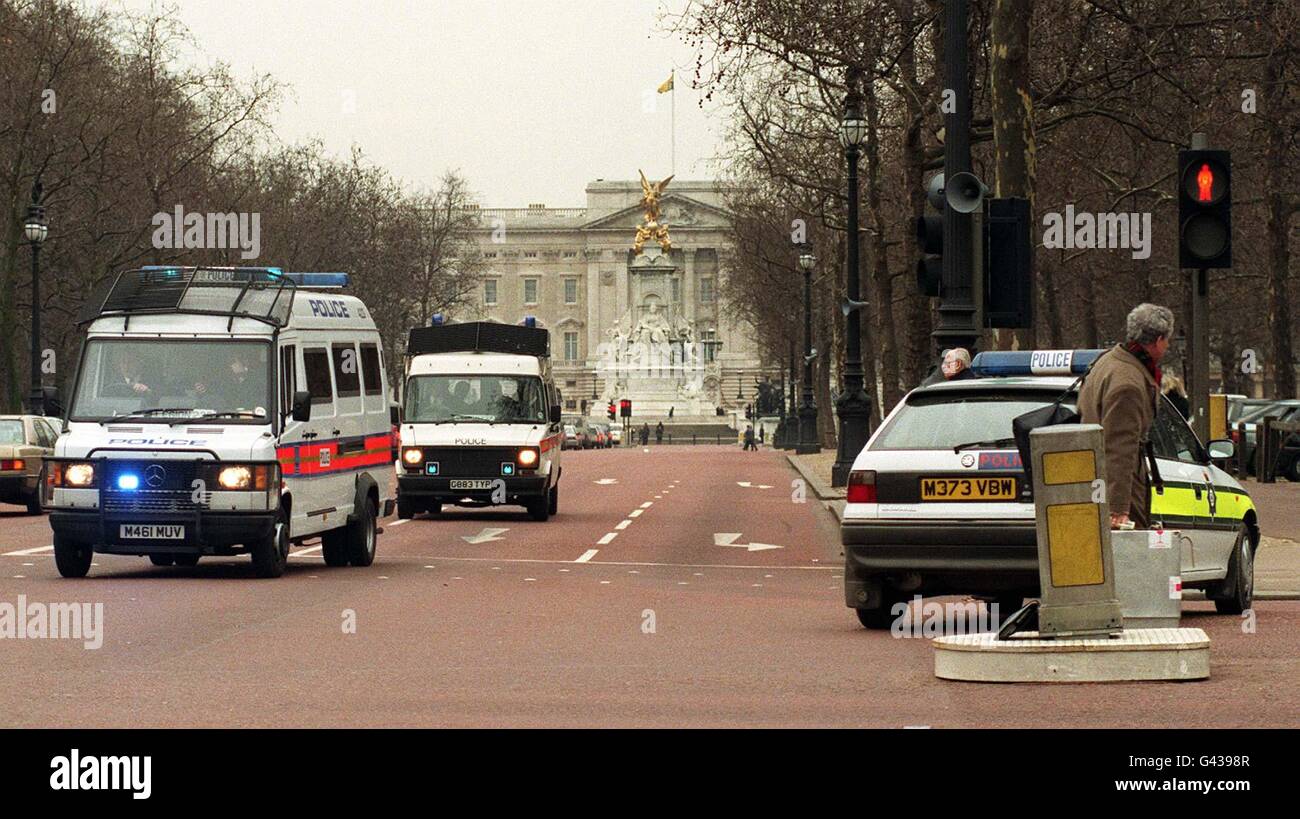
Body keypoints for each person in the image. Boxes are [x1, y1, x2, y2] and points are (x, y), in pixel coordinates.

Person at [1078, 303, 1173, 530]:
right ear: (1159, 340)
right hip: (1120, 485)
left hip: (1094, 478)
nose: (1168, 346)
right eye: (1167, 340)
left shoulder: (1107, 362)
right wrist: (1118, 507)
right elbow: (1119, 446)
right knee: (1130, 558)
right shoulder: (1129, 383)